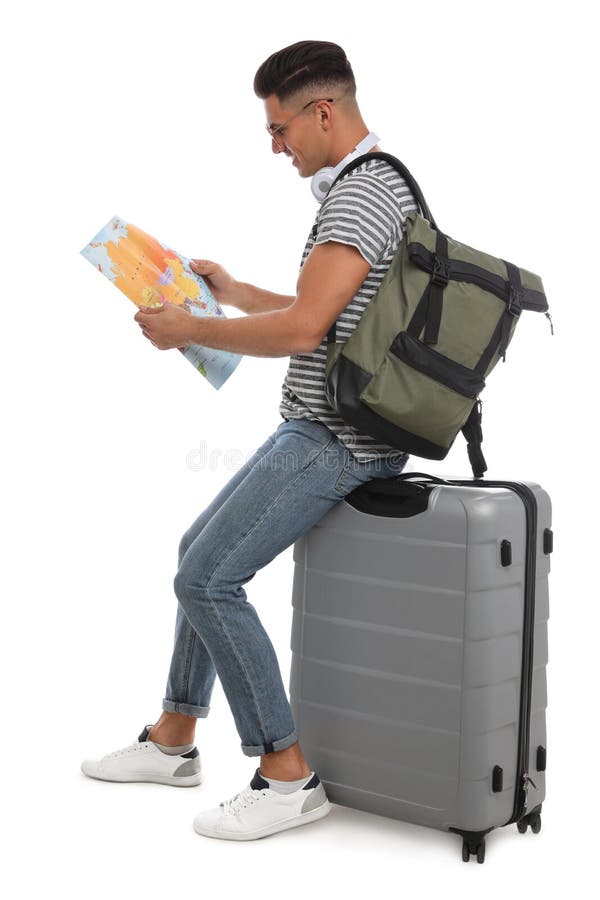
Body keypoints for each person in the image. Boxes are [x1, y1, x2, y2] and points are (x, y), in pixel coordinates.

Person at [81, 39, 418, 841]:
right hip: (324, 424)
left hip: (339, 436)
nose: (275, 146)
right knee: (197, 551)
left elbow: (305, 328)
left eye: (279, 128)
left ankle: (285, 773)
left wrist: (188, 328)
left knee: (207, 578)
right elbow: (331, 313)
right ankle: (175, 737)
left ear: (323, 111)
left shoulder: (359, 199)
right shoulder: (373, 187)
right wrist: (231, 293)